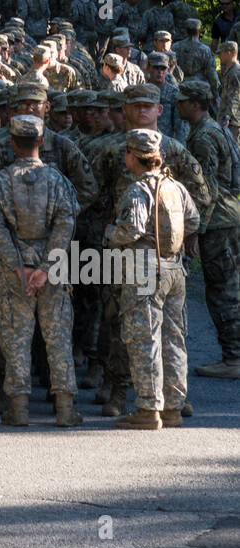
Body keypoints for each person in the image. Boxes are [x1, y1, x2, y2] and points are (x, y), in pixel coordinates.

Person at [0, 115, 81, 426]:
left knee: (15, 339)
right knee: (58, 338)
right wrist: (48, 267)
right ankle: (65, 409)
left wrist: (17, 267)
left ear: (12, 143)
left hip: (15, 274)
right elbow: (67, 224)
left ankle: (19, 408)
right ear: (41, 142)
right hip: (53, 273)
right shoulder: (58, 181)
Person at [104, 129, 200, 429]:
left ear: (133, 155)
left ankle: (148, 409)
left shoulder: (137, 189)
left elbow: (131, 229)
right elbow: (194, 220)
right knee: (174, 339)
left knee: (144, 337)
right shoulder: (175, 186)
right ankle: (173, 406)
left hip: (145, 267)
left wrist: (109, 233)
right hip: (174, 267)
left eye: (126, 153)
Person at [175, 80, 240, 379]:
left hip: (217, 222)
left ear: (196, 104)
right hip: (230, 215)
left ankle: (233, 357)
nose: (178, 105)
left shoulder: (203, 137)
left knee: (222, 290)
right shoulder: (219, 129)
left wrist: (194, 229)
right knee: (229, 286)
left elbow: (206, 188)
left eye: (183, 101)